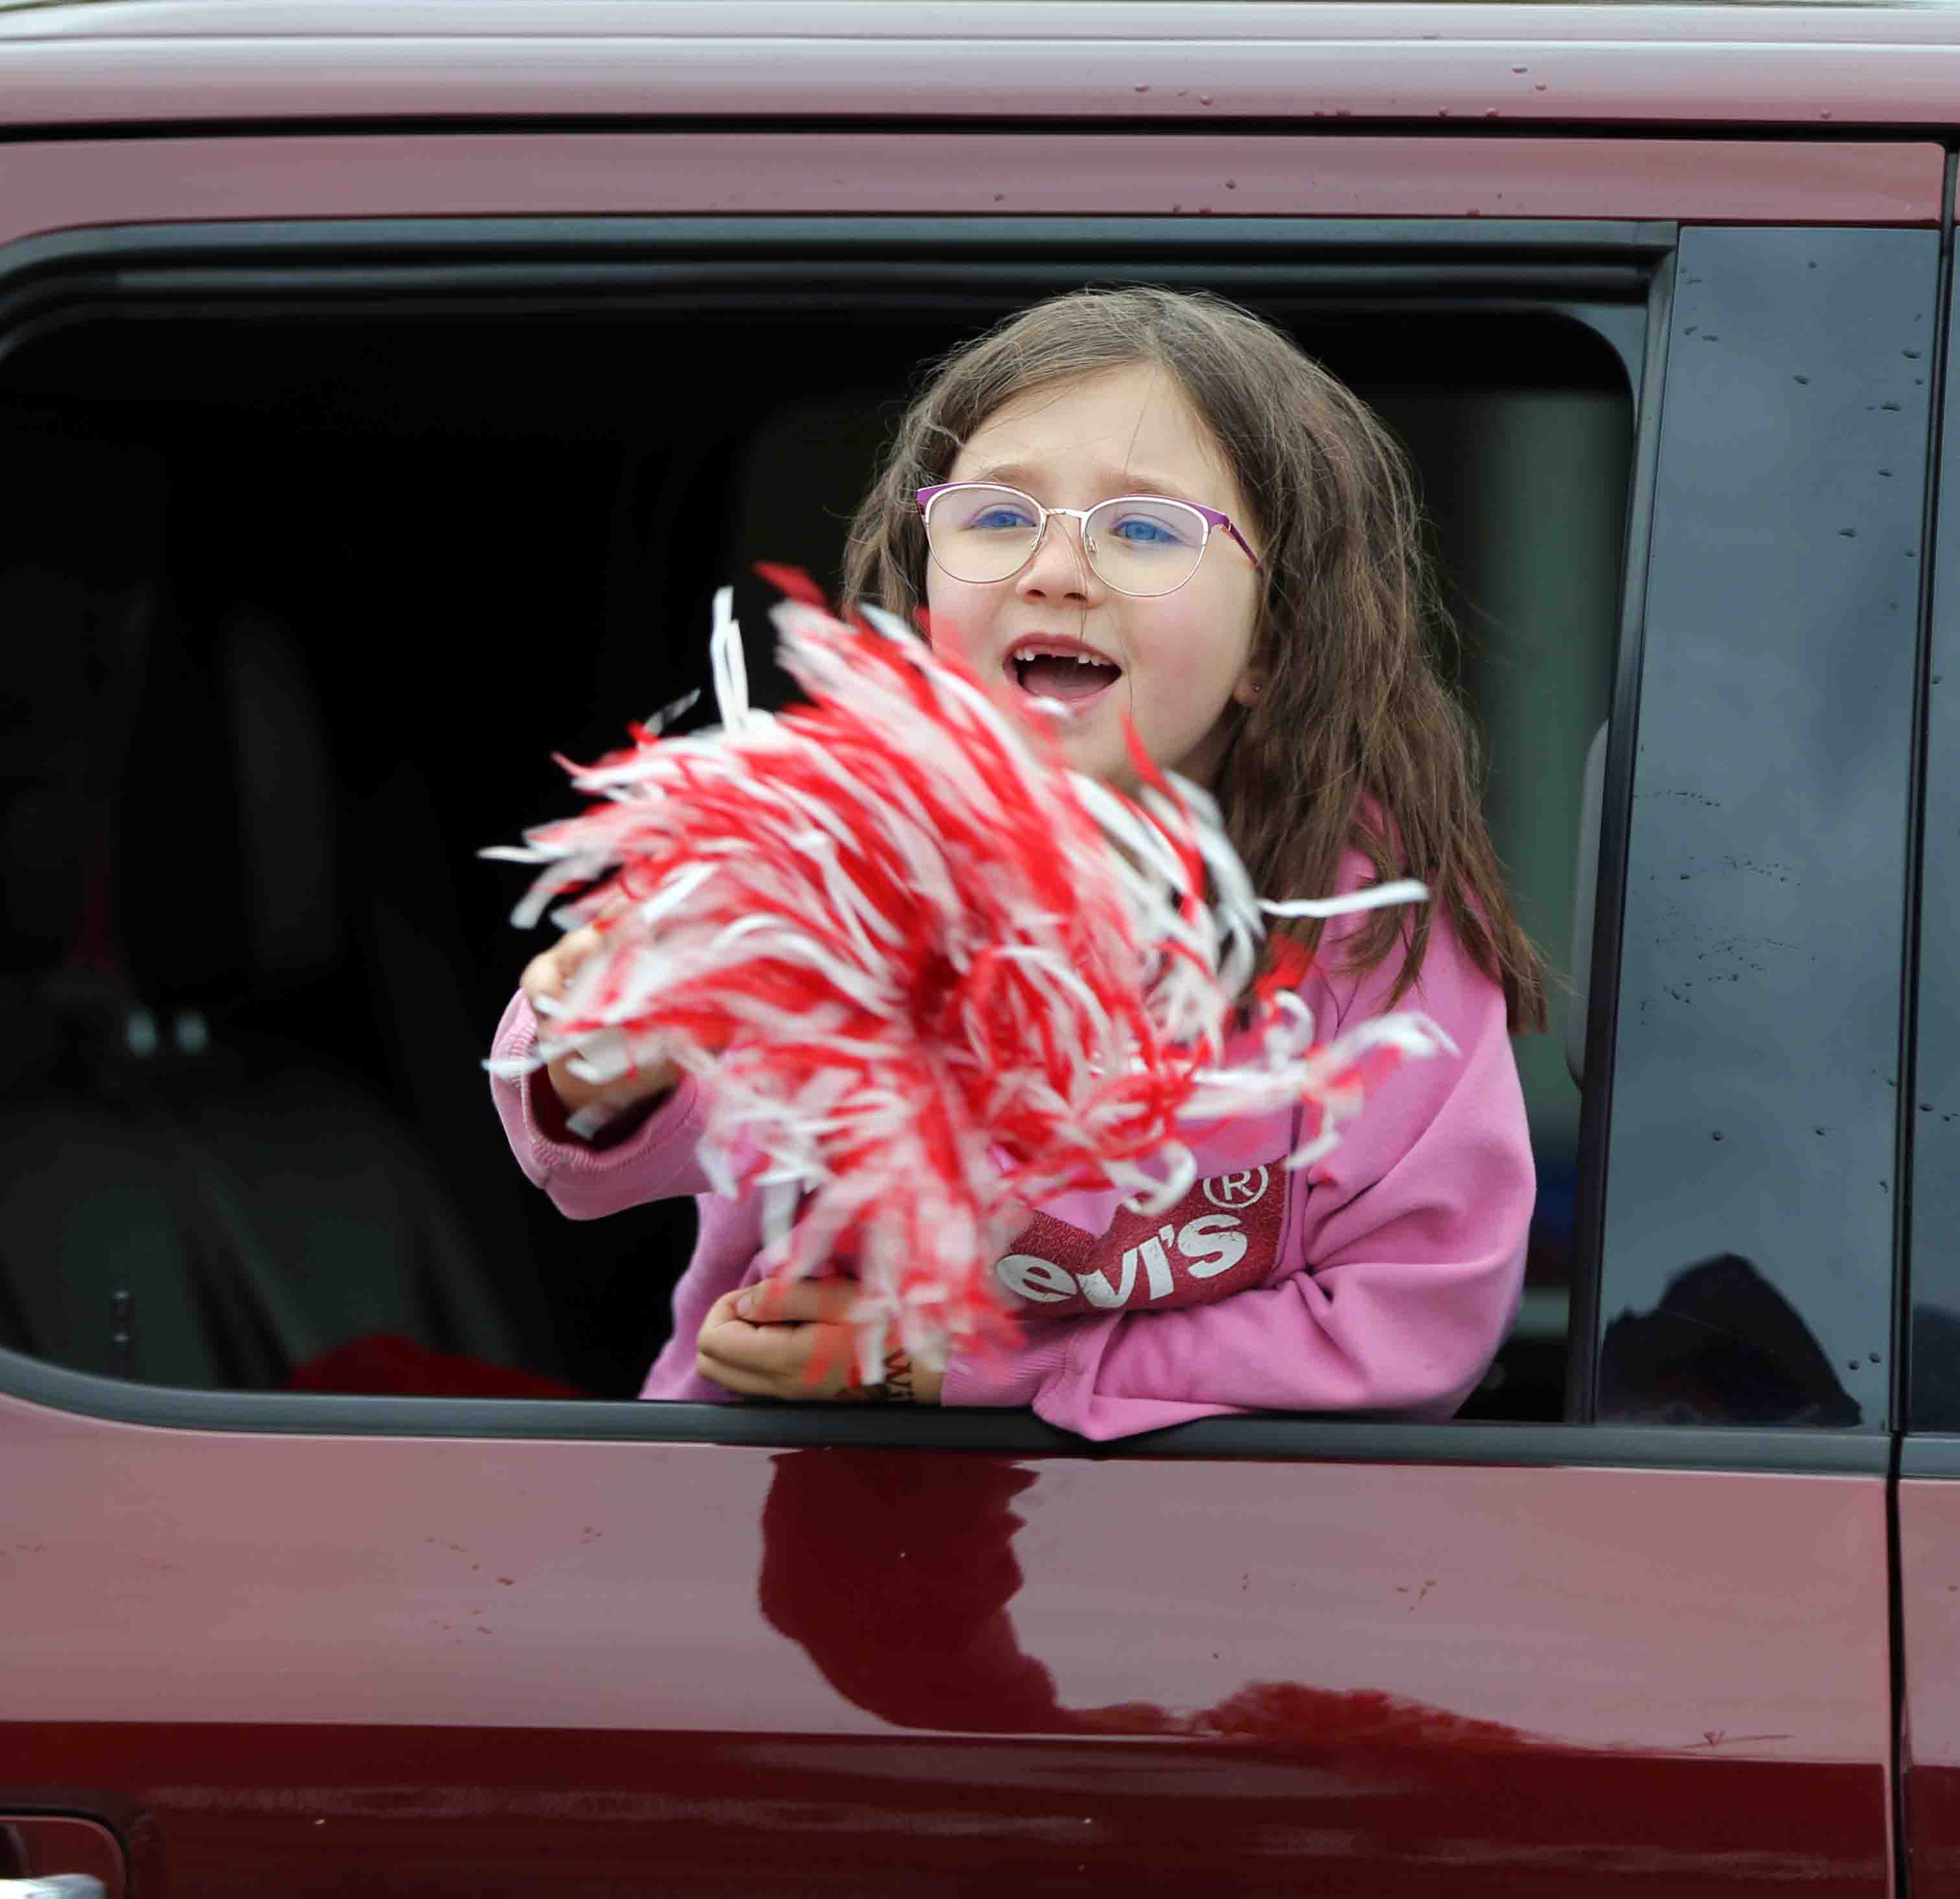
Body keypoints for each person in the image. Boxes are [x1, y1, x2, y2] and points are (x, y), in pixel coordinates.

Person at [486, 287, 1540, 1439]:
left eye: (1144, 531)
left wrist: (953, 1371)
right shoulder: (836, 857)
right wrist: (603, 1059)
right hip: (784, 1531)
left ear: (1274, 644)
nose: (1055, 569)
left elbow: (1413, 1325)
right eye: (995, 516)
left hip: (1224, 1570)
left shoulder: (1373, 930)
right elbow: (614, 1156)